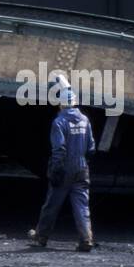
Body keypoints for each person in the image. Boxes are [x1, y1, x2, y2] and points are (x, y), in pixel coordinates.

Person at [28, 74, 96, 252]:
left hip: (65, 168)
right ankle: (86, 239)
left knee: (52, 204)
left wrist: (56, 170)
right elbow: (91, 147)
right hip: (82, 168)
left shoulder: (59, 122)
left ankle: (41, 237)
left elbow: (59, 149)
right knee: (82, 205)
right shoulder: (85, 120)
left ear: (61, 104)